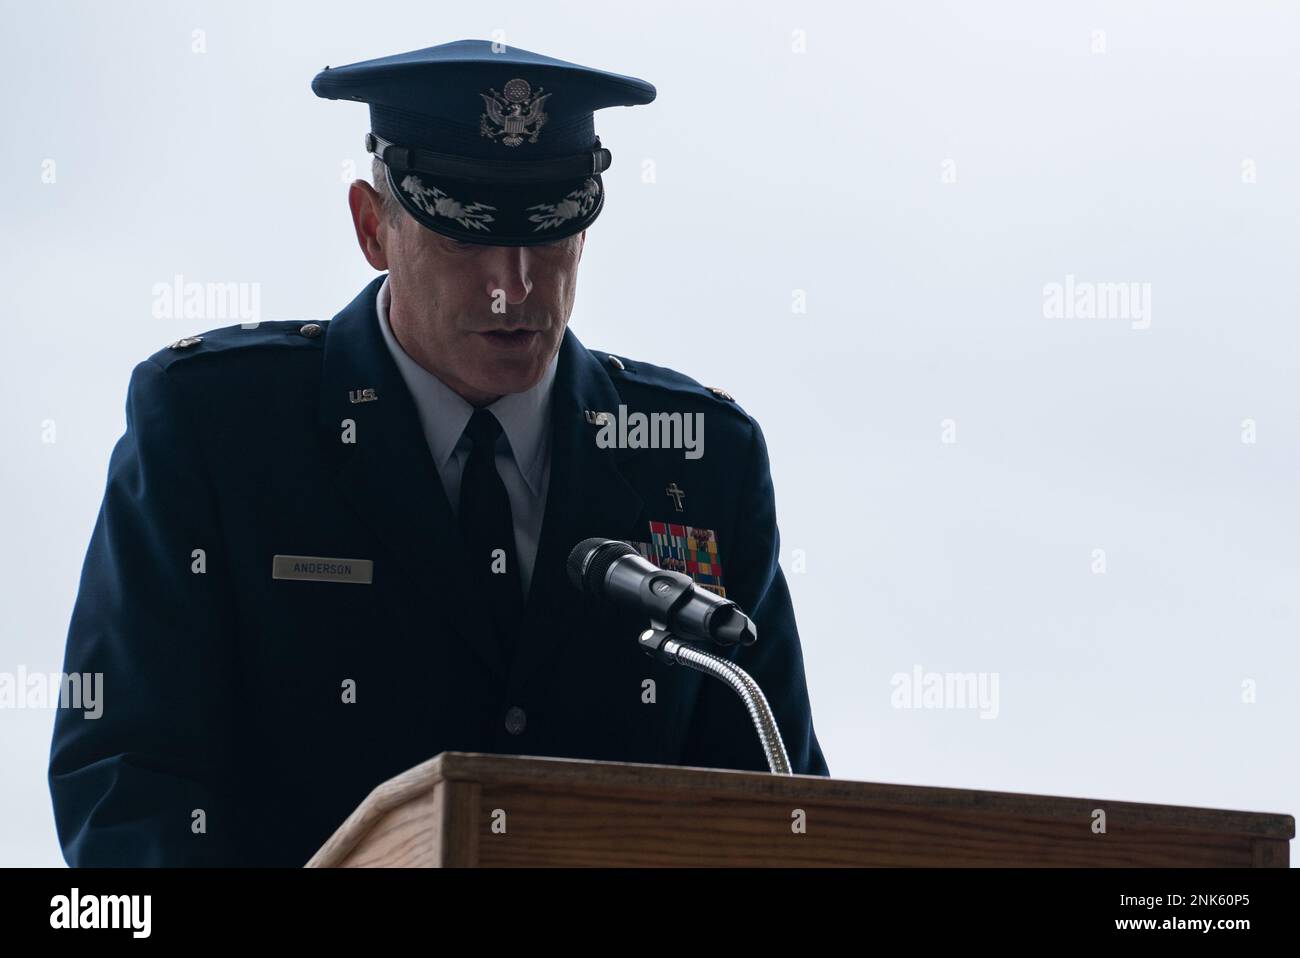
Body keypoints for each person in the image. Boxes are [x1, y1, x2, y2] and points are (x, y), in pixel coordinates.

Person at [48, 38, 828, 868]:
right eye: (467, 239)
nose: (515, 286)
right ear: (372, 225)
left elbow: (776, 803)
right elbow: (127, 780)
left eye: (550, 234)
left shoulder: (703, 460)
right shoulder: (219, 428)